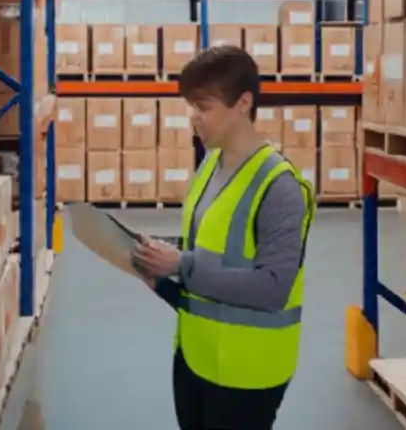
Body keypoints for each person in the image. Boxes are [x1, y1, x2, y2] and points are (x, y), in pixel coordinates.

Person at [132, 45, 316, 430]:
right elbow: (208, 251)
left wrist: (181, 263)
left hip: (247, 371)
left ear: (243, 103)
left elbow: (272, 289)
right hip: (195, 355)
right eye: (190, 107)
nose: (194, 119)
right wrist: (159, 265)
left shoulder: (280, 187)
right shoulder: (211, 165)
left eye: (204, 107)